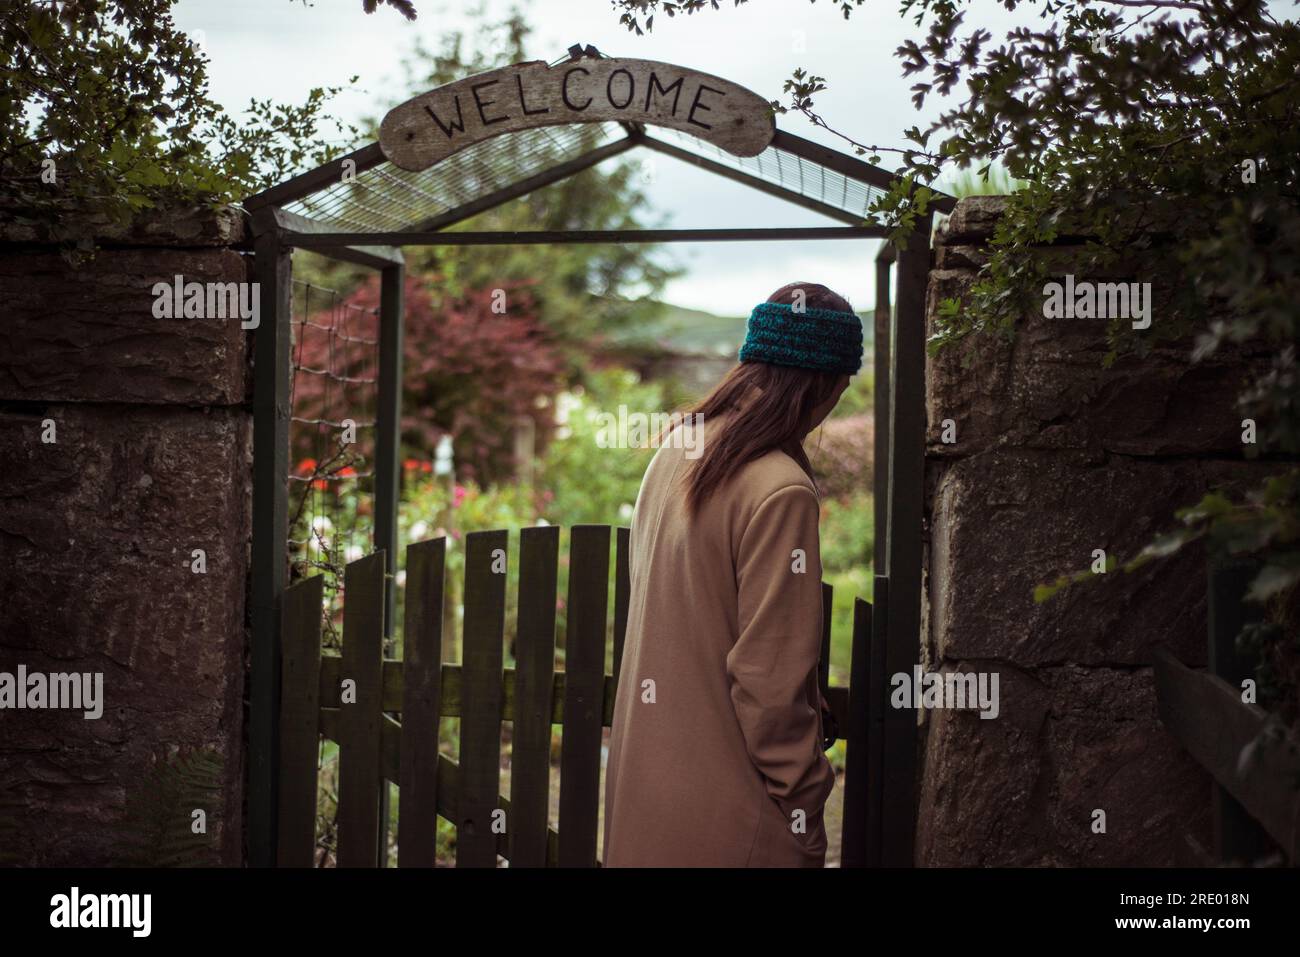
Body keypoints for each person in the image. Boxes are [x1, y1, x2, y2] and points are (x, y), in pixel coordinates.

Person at [602, 281, 861, 867]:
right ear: (818, 385)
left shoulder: (677, 451)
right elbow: (768, 678)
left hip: (646, 790)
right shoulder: (781, 489)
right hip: (733, 814)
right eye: (840, 391)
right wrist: (803, 802)